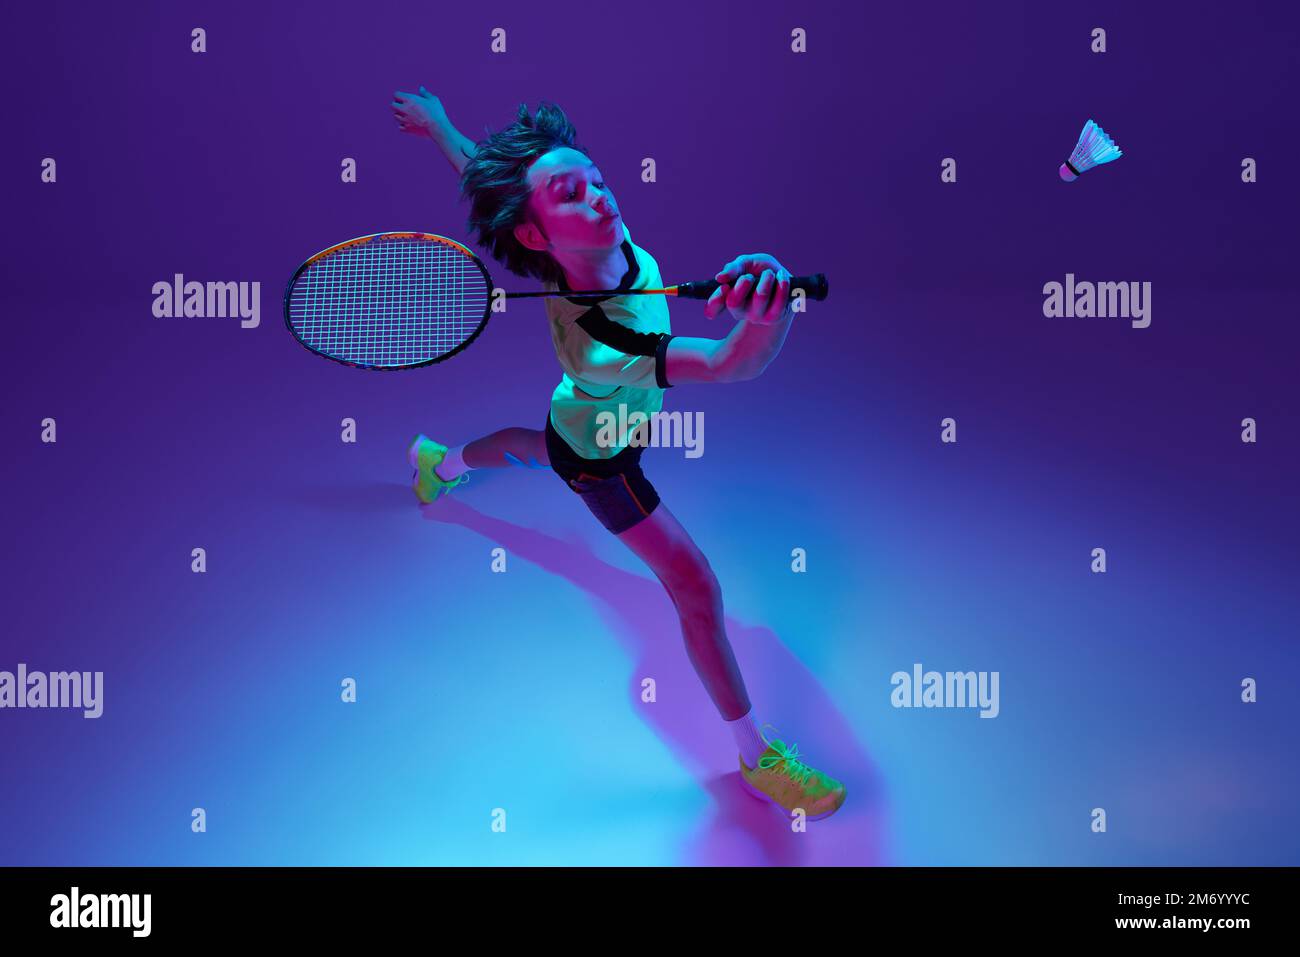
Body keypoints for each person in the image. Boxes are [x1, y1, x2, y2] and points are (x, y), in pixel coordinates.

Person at [391, 88, 845, 821]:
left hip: (579, 418)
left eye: (596, 179)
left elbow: (499, 182)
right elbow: (732, 364)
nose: (600, 197)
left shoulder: (583, 246)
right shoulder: (610, 345)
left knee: (528, 444)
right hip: (605, 458)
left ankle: (437, 462)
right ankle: (757, 757)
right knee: (693, 582)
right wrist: (771, 311)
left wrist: (441, 126)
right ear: (539, 238)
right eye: (572, 194)